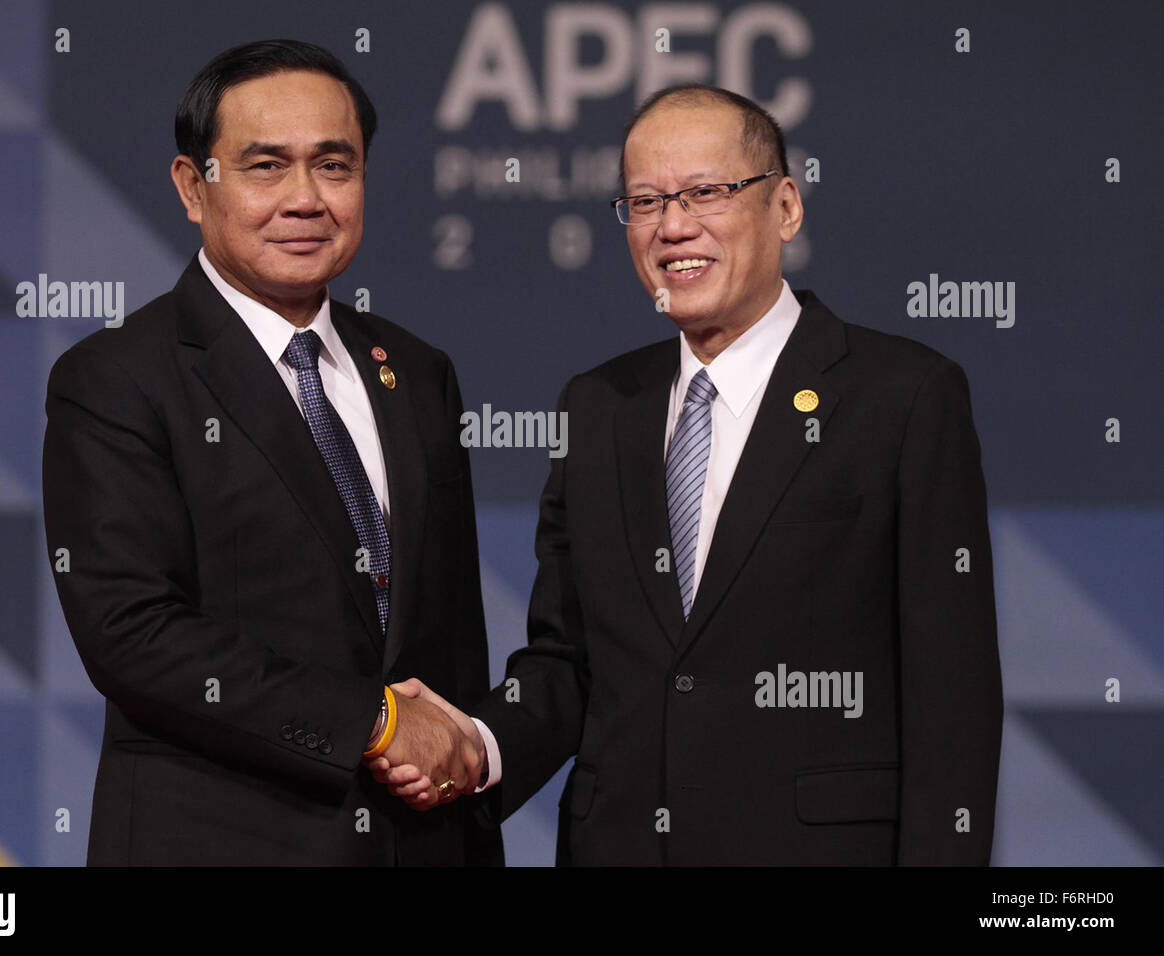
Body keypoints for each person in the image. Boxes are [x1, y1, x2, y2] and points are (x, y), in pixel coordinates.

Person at [373, 84, 1003, 865]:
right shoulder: (599, 406)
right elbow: (569, 661)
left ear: (785, 207)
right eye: (645, 201)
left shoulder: (902, 396)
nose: (674, 225)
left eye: (707, 191)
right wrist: (476, 743)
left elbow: (953, 698)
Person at [42, 39, 500, 865]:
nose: (305, 199)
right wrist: (375, 721)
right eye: (265, 167)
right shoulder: (116, 377)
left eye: (335, 165)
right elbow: (131, 633)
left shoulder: (417, 372)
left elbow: (454, 650)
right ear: (193, 186)